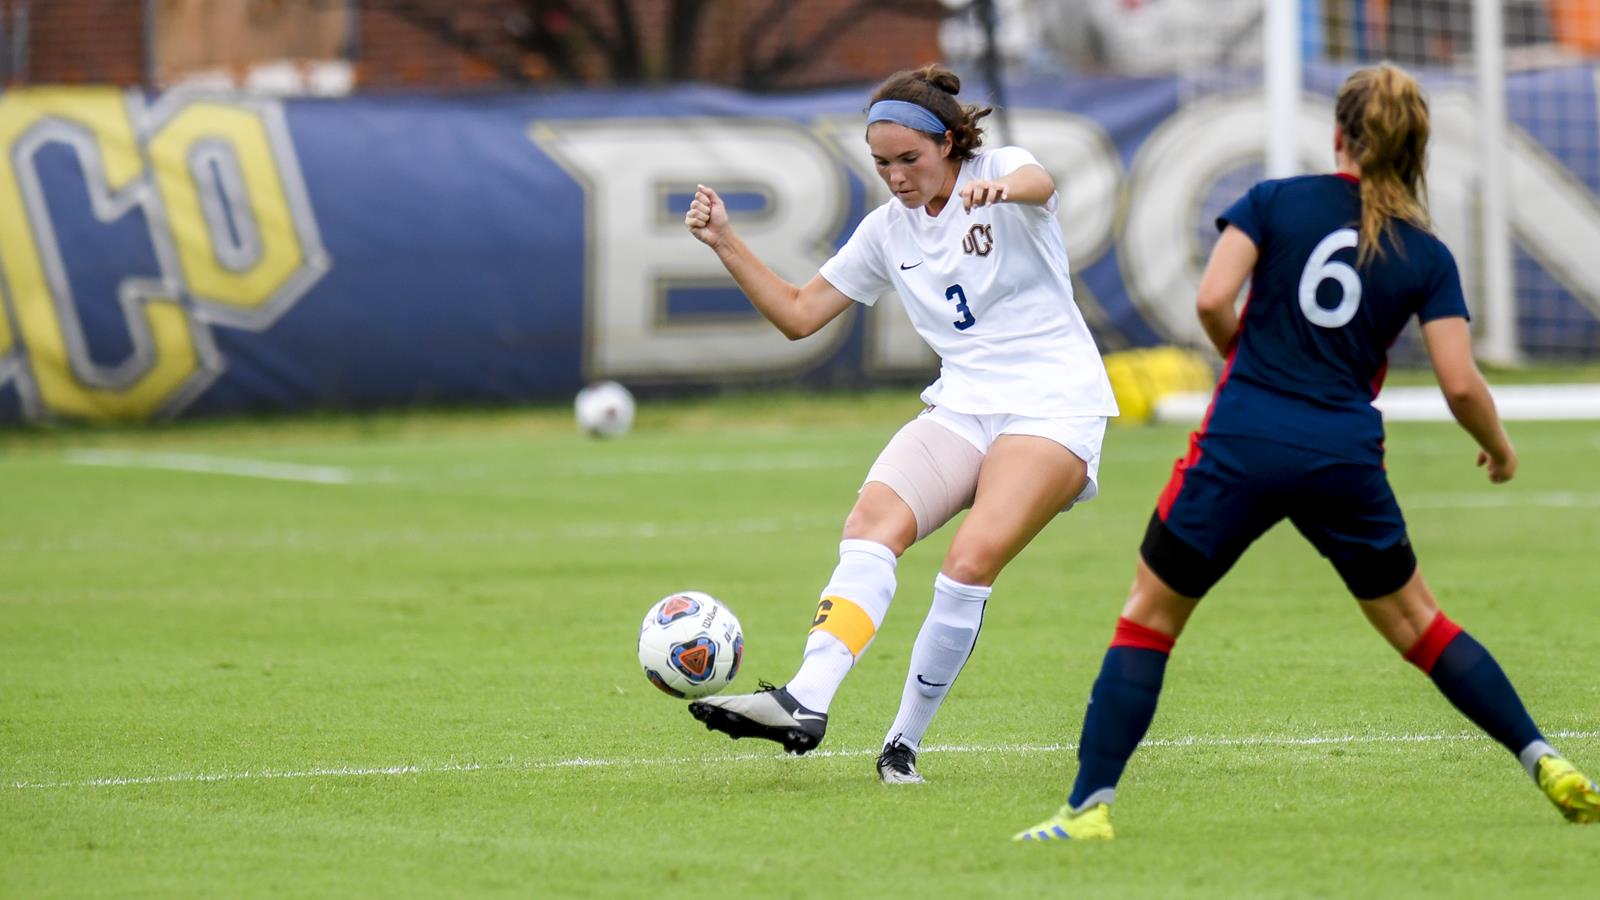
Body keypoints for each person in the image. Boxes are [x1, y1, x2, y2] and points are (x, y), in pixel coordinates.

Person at [1014, 62, 1600, 842]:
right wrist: (1498, 448)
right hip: (1342, 457)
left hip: (1241, 442)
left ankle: (1088, 808)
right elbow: (1461, 383)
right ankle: (1543, 758)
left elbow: (1211, 299)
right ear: (1415, 148)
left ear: (1338, 136)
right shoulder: (1425, 253)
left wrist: (1247, 357)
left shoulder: (1275, 201)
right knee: (1420, 623)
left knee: (1149, 618)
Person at [681, 64, 1119, 783]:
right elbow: (798, 314)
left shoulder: (998, 171)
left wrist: (1002, 190)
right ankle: (805, 699)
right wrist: (724, 240)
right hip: (963, 403)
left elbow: (1039, 181)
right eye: (881, 163)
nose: (895, 176)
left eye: (908, 159)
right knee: (870, 525)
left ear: (948, 142)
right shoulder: (887, 231)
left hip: (1053, 403)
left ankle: (901, 744)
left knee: (967, 564)